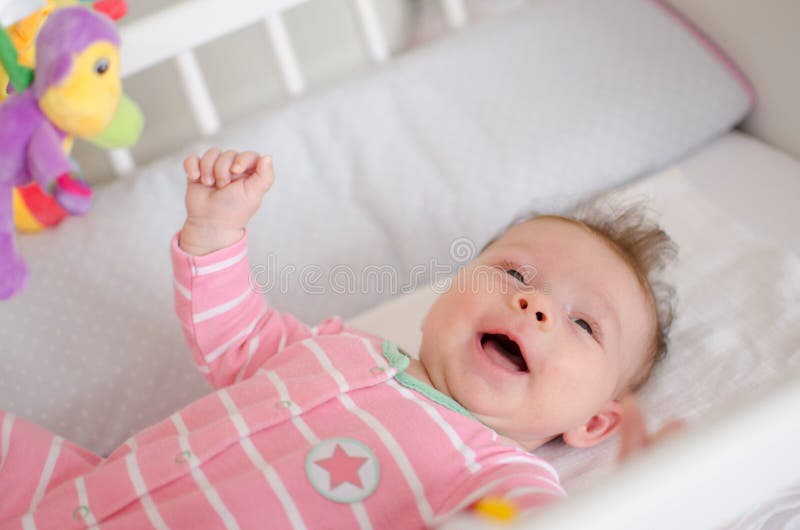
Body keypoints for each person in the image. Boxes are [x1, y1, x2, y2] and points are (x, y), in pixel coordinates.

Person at [0, 149, 681, 529]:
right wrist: (215, 236)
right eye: (512, 273)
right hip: (86, 490)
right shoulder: (337, 349)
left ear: (594, 423)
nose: (533, 304)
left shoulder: (495, 472)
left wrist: (647, 489)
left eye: (583, 324)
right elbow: (237, 335)